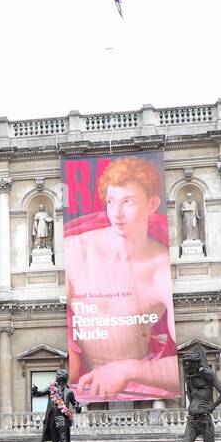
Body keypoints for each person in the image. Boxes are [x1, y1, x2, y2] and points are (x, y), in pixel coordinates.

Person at [64, 156, 179, 402]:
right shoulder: (76, 250)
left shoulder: (160, 268)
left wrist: (128, 370)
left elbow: (185, 365)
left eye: (128, 201)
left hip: (140, 385)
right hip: (83, 387)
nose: (116, 213)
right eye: (110, 201)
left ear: (152, 204)